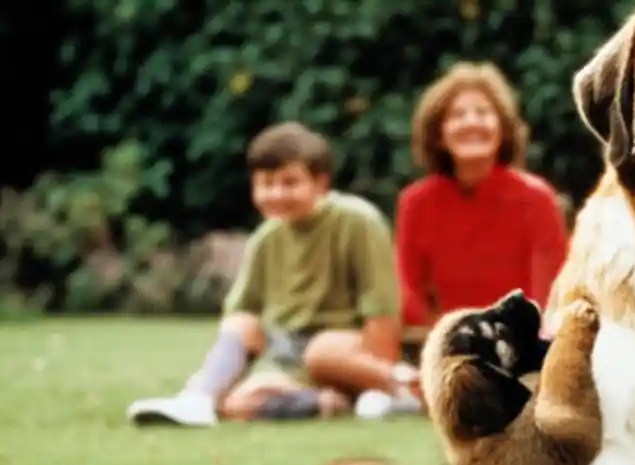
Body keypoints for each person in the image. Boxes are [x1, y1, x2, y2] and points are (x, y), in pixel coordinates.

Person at [126, 122, 422, 426]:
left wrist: (376, 372)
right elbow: (242, 312)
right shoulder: (265, 238)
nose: (277, 194)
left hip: (349, 351)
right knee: (236, 401)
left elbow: (382, 309)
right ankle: (201, 397)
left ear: (320, 183)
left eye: (290, 183)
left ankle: (406, 389)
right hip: (292, 355)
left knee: (322, 351)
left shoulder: (358, 221)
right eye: (266, 184)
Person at [394, 61, 568, 352]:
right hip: (446, 347)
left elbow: (550, 295)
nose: (471, 122)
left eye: (483, 113)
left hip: (524, 347)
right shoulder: (415, 202)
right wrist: (448, 339)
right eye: (457, 115)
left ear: (503, 130)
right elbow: (407, 292)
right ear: (438, 135)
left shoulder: (538, 199)